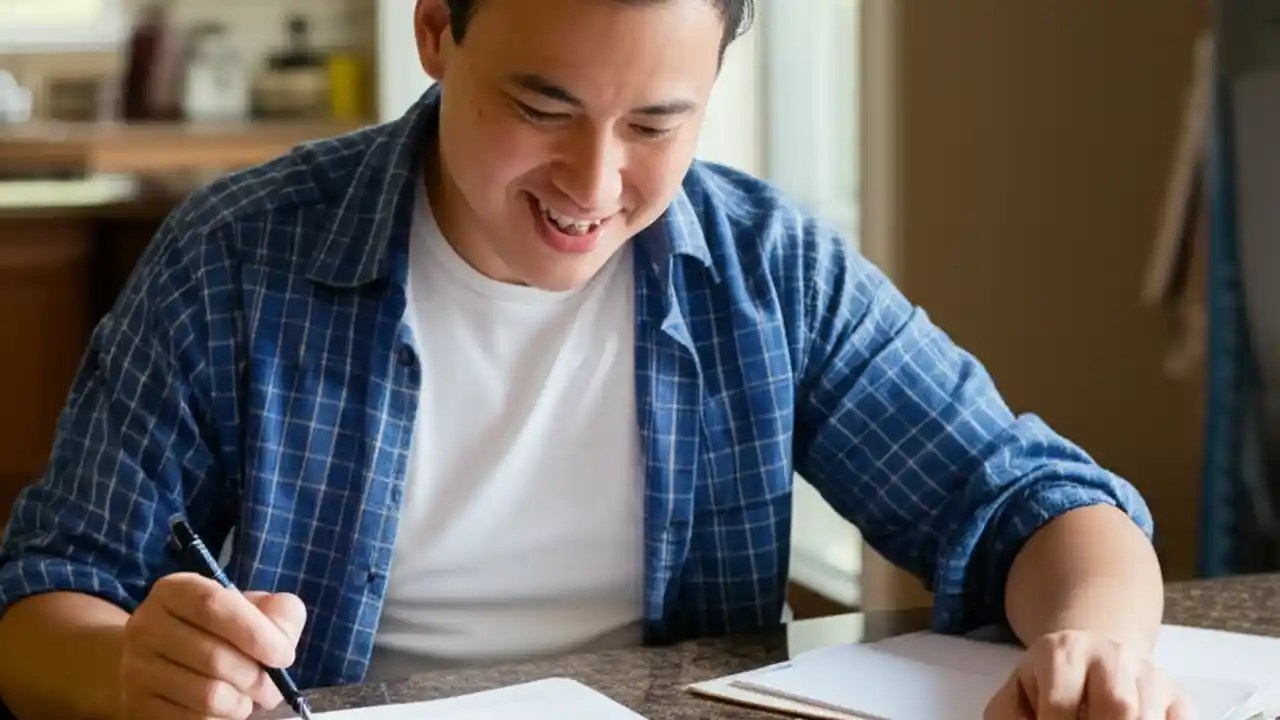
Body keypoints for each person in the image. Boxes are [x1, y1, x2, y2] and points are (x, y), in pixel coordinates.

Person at [0, 0, 1183, 718]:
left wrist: (1096, 646)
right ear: (435, 32)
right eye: (542, 104)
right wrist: (125, 676)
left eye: (657, 124)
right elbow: (42, 599)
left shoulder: (765, 268)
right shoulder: (234, 259)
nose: (593, 182)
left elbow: (1035, 502)